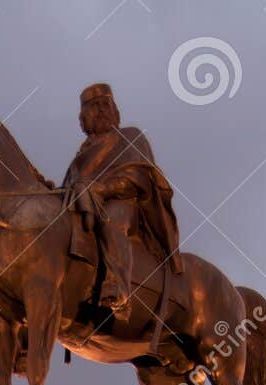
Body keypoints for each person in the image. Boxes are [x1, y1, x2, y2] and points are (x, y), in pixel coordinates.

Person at [62, 83, 181, 320]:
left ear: (115, 111)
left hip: (125, 202)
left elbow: (140, 174)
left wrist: (105, 188)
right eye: (95, 107)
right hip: (84, 205)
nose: (102, 110)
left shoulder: (130, 137)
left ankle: (118, 287)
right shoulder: (79, 157)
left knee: (111, 219)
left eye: (106, 105)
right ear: (83, 119)